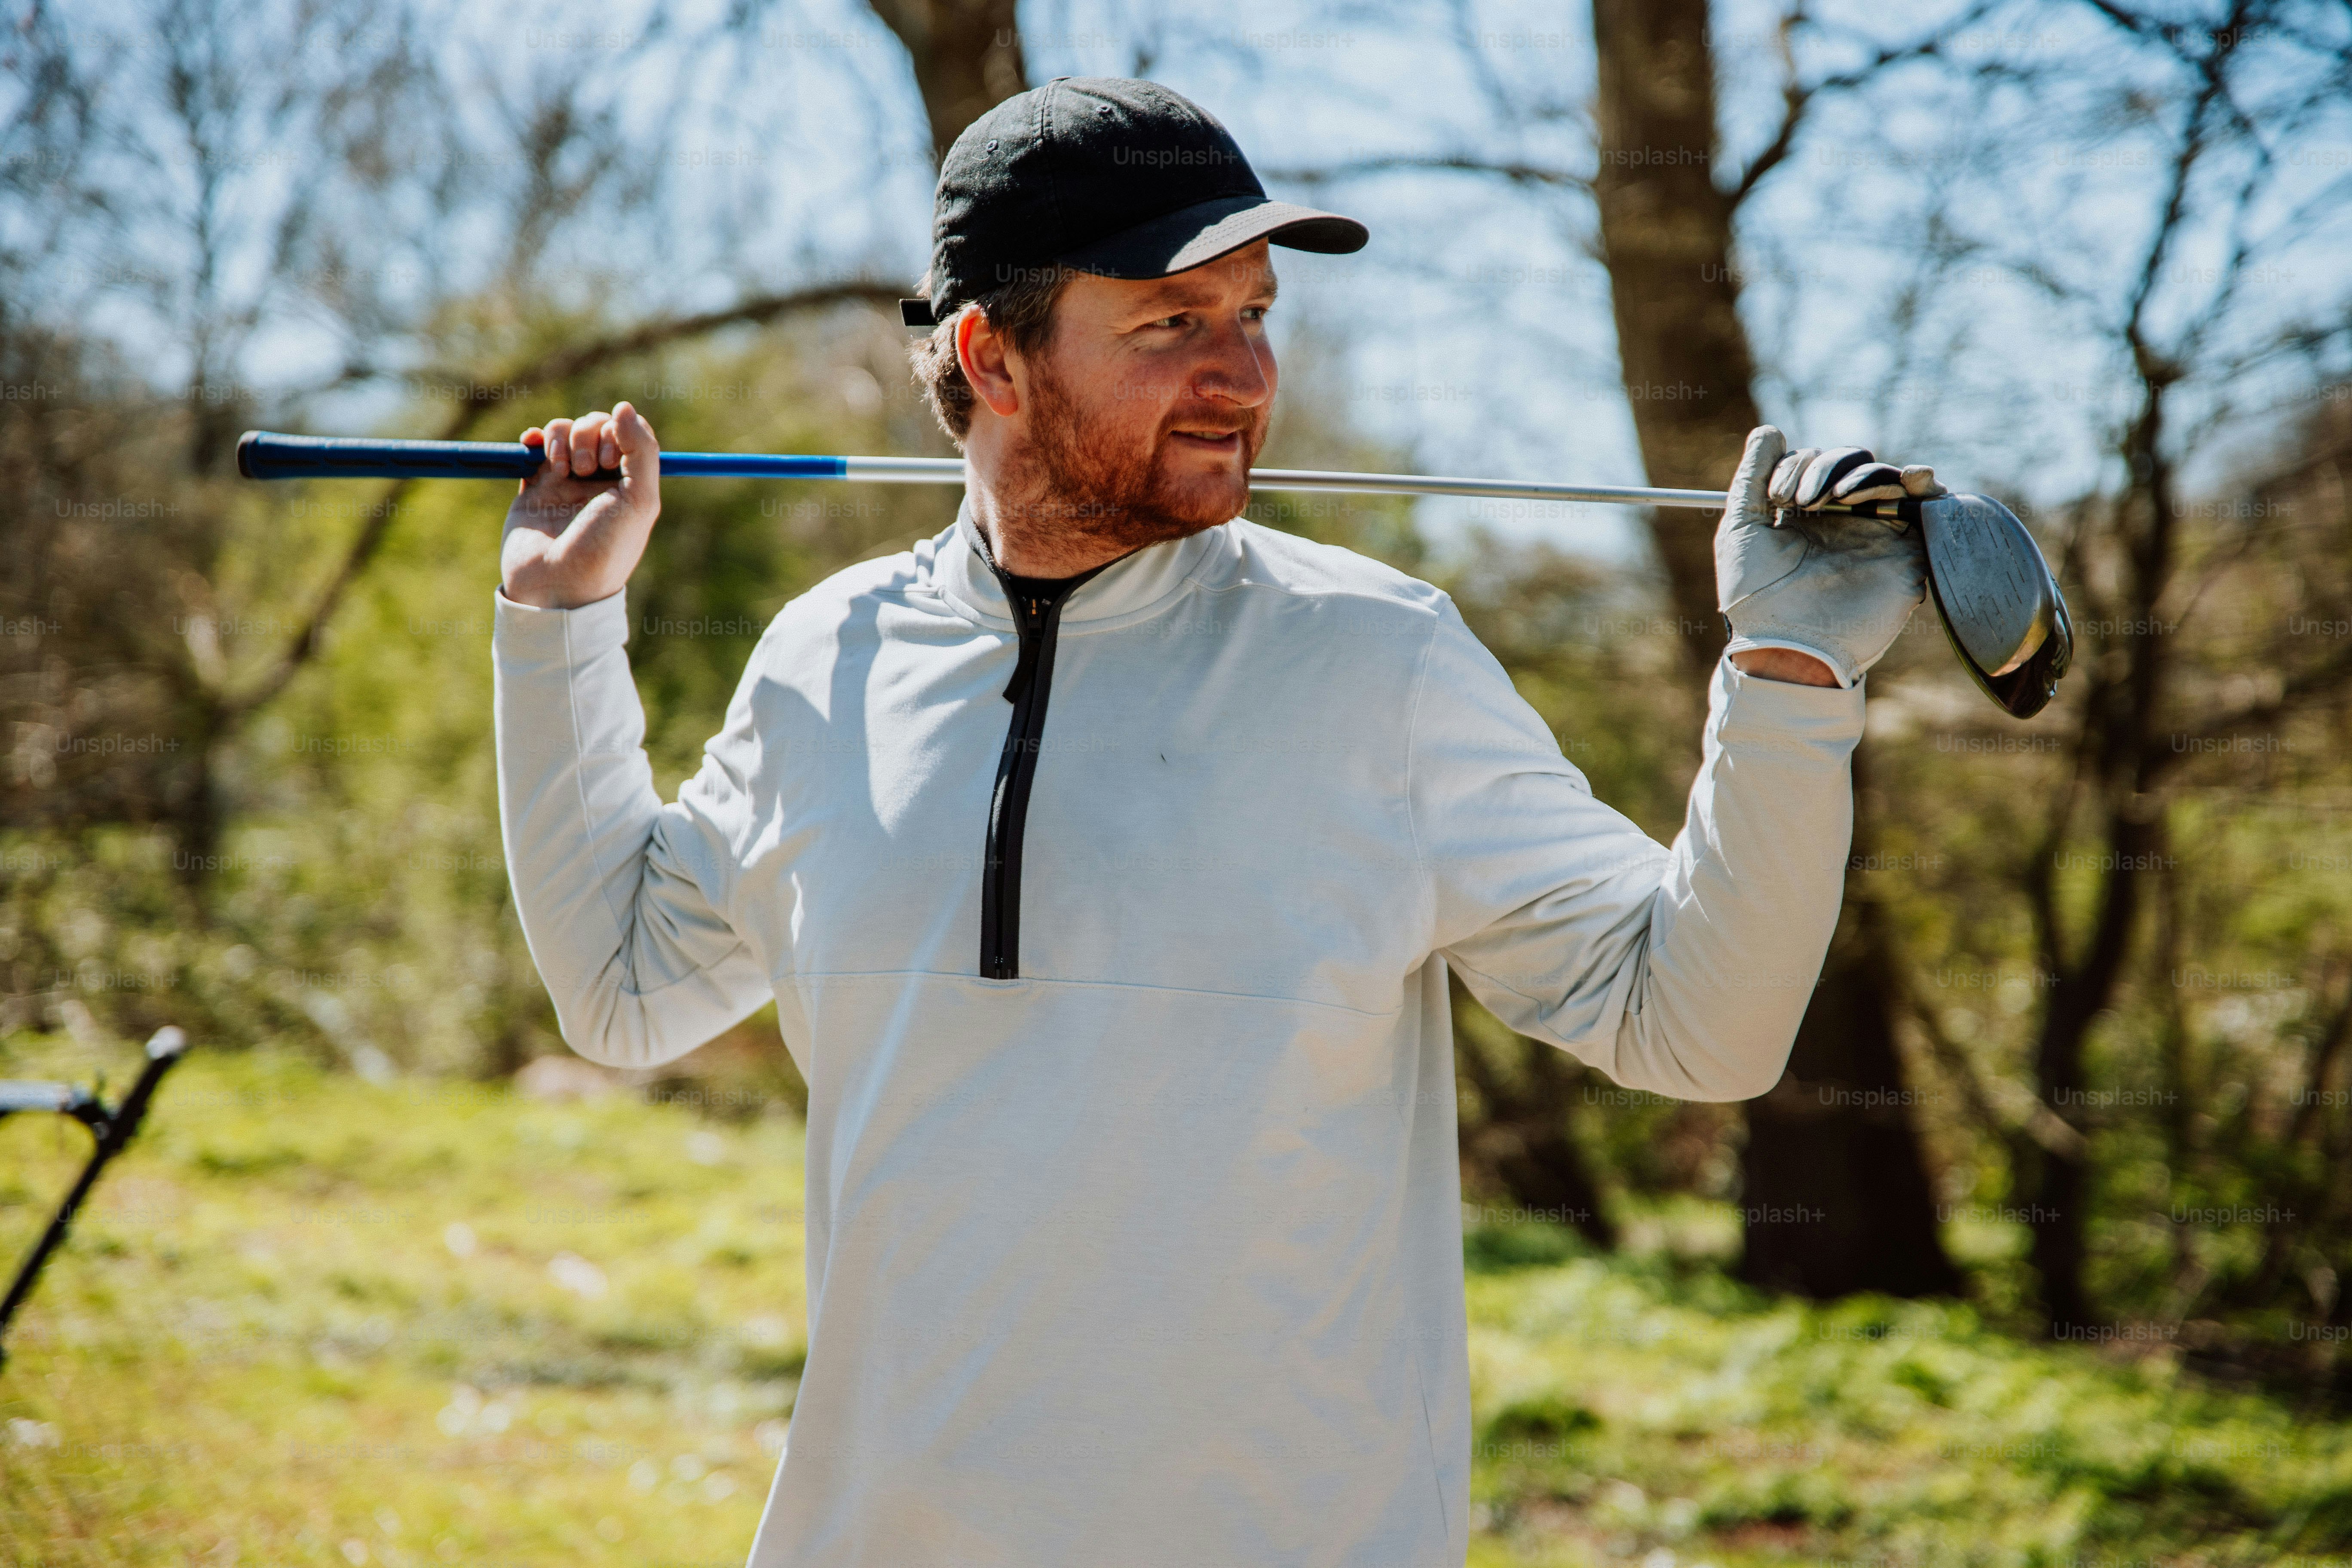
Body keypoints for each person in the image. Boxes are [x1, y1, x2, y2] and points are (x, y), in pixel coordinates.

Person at [493, 76, 1939, 1568]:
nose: (1243, 373)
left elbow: (1697, 1028)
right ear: (992, 356)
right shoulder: (822, 660)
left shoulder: (1384, 661)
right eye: (1172, 323)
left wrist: (1788, 680)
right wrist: (556, 623)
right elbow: (624, 988)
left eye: (1256, 314)